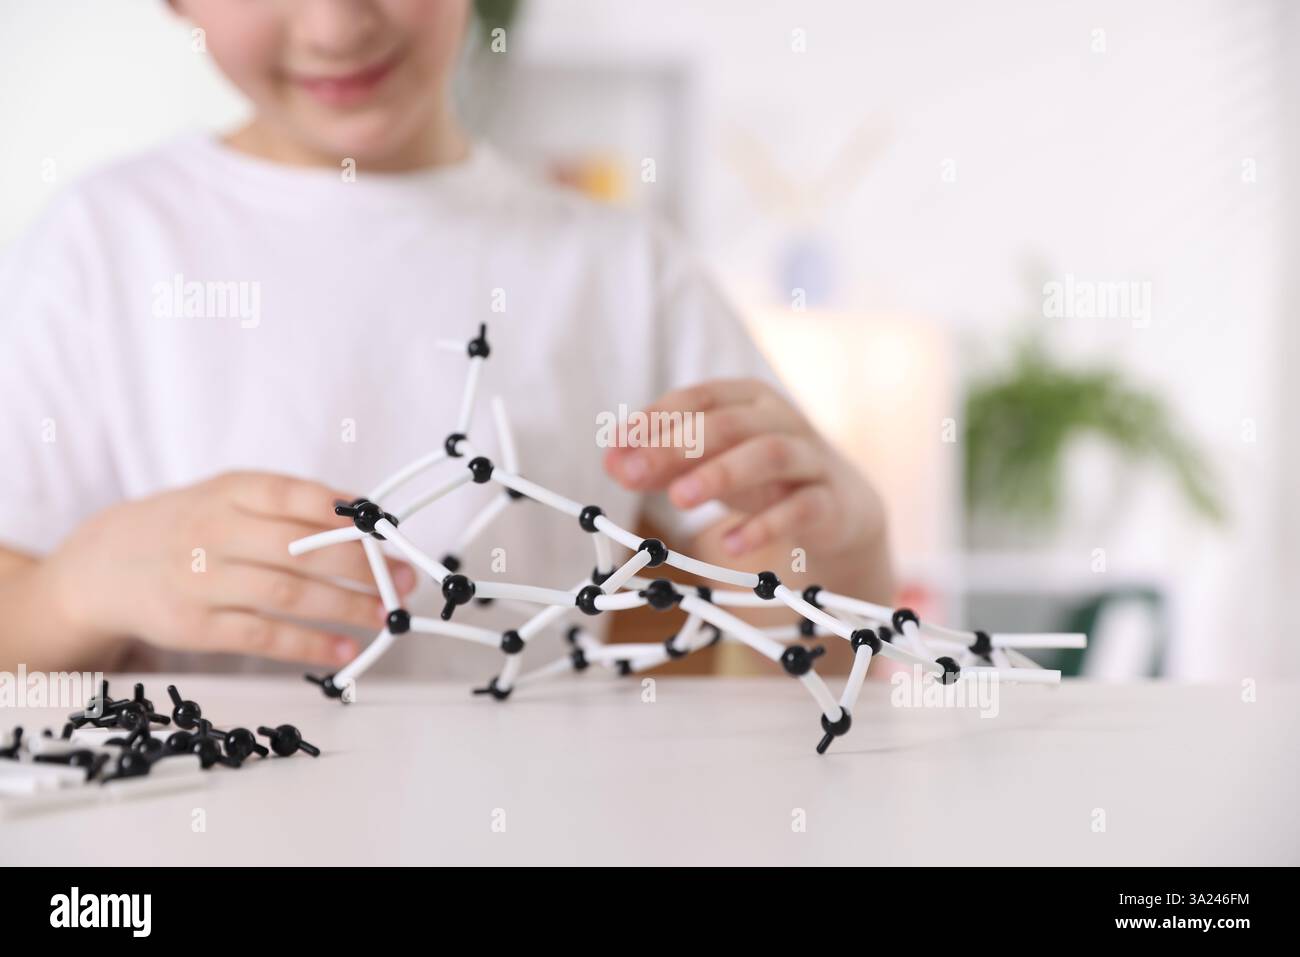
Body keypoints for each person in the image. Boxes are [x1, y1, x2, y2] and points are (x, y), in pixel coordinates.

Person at [0, 0, 893, 679]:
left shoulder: (624, 270)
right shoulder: (101, 243)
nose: (336, 25)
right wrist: (72, 587)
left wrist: (851, 540)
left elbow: (810, 640)